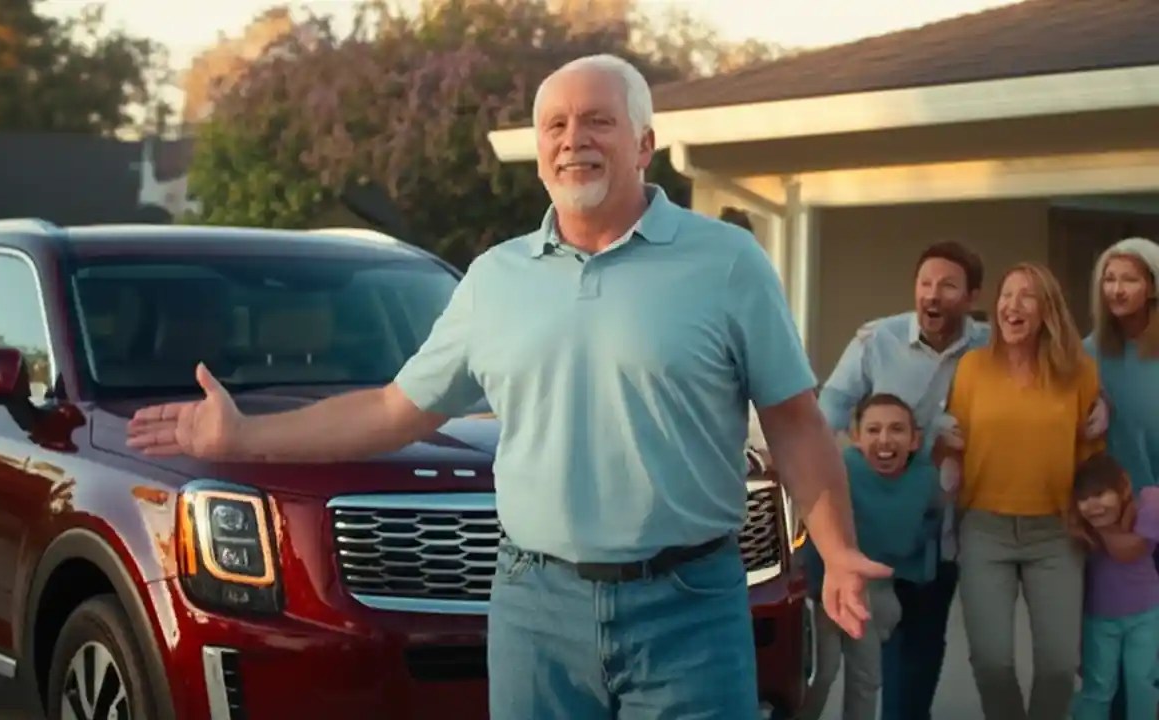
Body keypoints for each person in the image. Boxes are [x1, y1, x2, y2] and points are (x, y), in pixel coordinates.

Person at [125, 53, 889, 718]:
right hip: (536, 606)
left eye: (597, 122)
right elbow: (396, 410)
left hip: (690, 604)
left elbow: (794, 421)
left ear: (645, 144)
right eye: (554, 126)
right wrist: (243, 437)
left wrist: (838, 549)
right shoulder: (496, 279)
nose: (572, 140)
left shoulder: (726, 264)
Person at [817, 240, 989, 720]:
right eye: (925, 283)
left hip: (949, 522)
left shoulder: (992, 346)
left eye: (948, 286)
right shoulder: (878, 341)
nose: (933, 295)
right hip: (883, 521)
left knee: (923, 642)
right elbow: (828, 410)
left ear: (972, 296)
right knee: (874, 642)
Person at [948, 262, 1105, 720]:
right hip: (985, 528)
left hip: (1056, 532)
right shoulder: (973, 368)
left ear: (1047, 310)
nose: (1012, 307)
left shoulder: (1079, 372)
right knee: (992, 662)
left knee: (1058, 667)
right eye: (1006, 295)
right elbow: (953, 447)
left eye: (1026, 297)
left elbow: (1091, 456)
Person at [798, 393, 943, 720]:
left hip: (874, 590)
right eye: (874, 430)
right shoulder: (840, 471)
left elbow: (925, 526)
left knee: (867, 677)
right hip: (826, 588)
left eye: (896, 430)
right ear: (856, 437)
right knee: (821, 674)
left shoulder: (924, 480)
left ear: (915, 439)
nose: (885, 439)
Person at [1082, 236, 1159, 720]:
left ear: (1153, 286)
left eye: (1129, 278)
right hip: (1117, 517)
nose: (1117, 289)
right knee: (1108, 654)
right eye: (1109, 279)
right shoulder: (1087, 355)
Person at [1067, 453, 1159, 720]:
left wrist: (1102, 531)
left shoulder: (1148, 506)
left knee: (1142, 684)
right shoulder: (1078, 529)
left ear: (1123, 487)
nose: (1092, 505)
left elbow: (1130, 551)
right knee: (1097, 690)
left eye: (1100, 493)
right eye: (1083, 499)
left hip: (1147, 616)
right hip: (1099, 621)